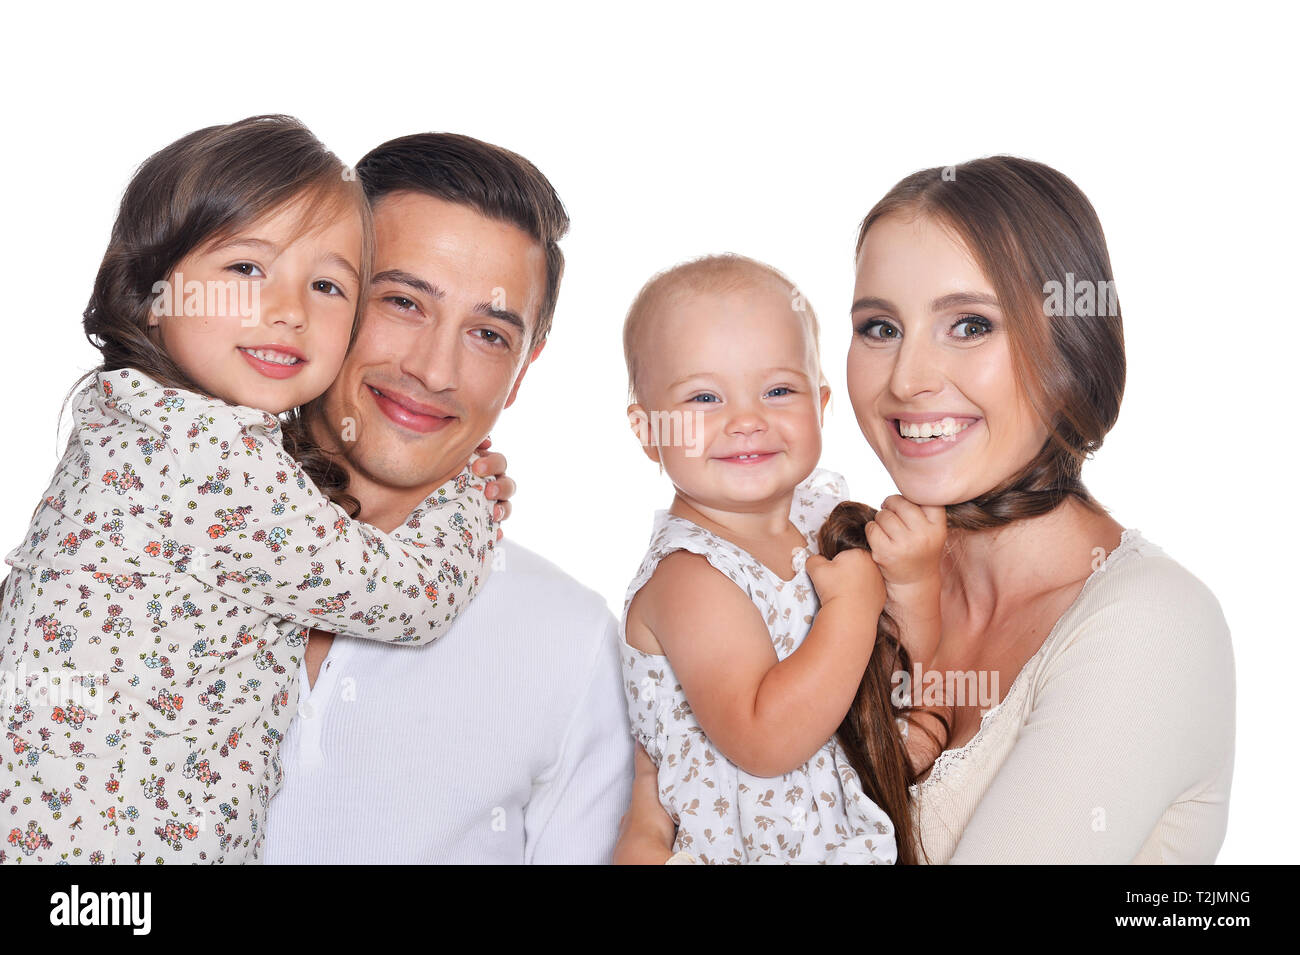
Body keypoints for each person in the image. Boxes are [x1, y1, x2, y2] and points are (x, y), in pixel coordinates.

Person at [615, 156, 1235, 864]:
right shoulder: (838, 560)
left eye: (970, 324)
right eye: (880, 328)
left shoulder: (1149, 627)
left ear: (1070, 344)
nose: (907, 380)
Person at [0, 115, 508, 865]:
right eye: (246, 268)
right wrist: (466, 495)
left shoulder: (126, 416)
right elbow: (414, 594)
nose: (290, 309)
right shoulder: (210, 457)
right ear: (151, 291)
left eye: (329, 285)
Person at [262, 132, 634, 864]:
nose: (434, 369)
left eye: (489, 334)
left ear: (523, 372)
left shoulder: (571, 642)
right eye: (403, 301)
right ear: (321, 294)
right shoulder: (146, 531)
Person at [618, 254, 950, 864]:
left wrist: (915, 583)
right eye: (704, 397)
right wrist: (851, 609)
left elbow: (901, 676)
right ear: (646, 429)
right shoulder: (691, 576)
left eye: (777, 390)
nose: (746, 420)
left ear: (821, 402)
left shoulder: (826, 524)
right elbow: (765, 738)